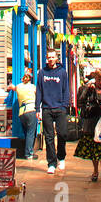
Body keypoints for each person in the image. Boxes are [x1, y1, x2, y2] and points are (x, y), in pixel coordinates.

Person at [35, 46, 70, 174]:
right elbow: (39, 90)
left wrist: (65, 105)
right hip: (46, 108)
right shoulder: (42, 73)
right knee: (49, 137)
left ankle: (61, 157)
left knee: (62, 134)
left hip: (60, 108)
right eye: (48, 58)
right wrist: (37, 107)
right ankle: (51, 163)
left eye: (52, 57)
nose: (50, 60)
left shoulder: (62, 72)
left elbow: (66, 89)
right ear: (46, 59)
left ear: (56, 58)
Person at [15, 68, 38, 159]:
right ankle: (29, 153)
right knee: (31, 133)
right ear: (30, 78)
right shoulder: (33, 87)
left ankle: (27, 151)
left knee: (26, 133)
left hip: (21, 112)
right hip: (31, 110)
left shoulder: (18, 87)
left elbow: (12, 87)